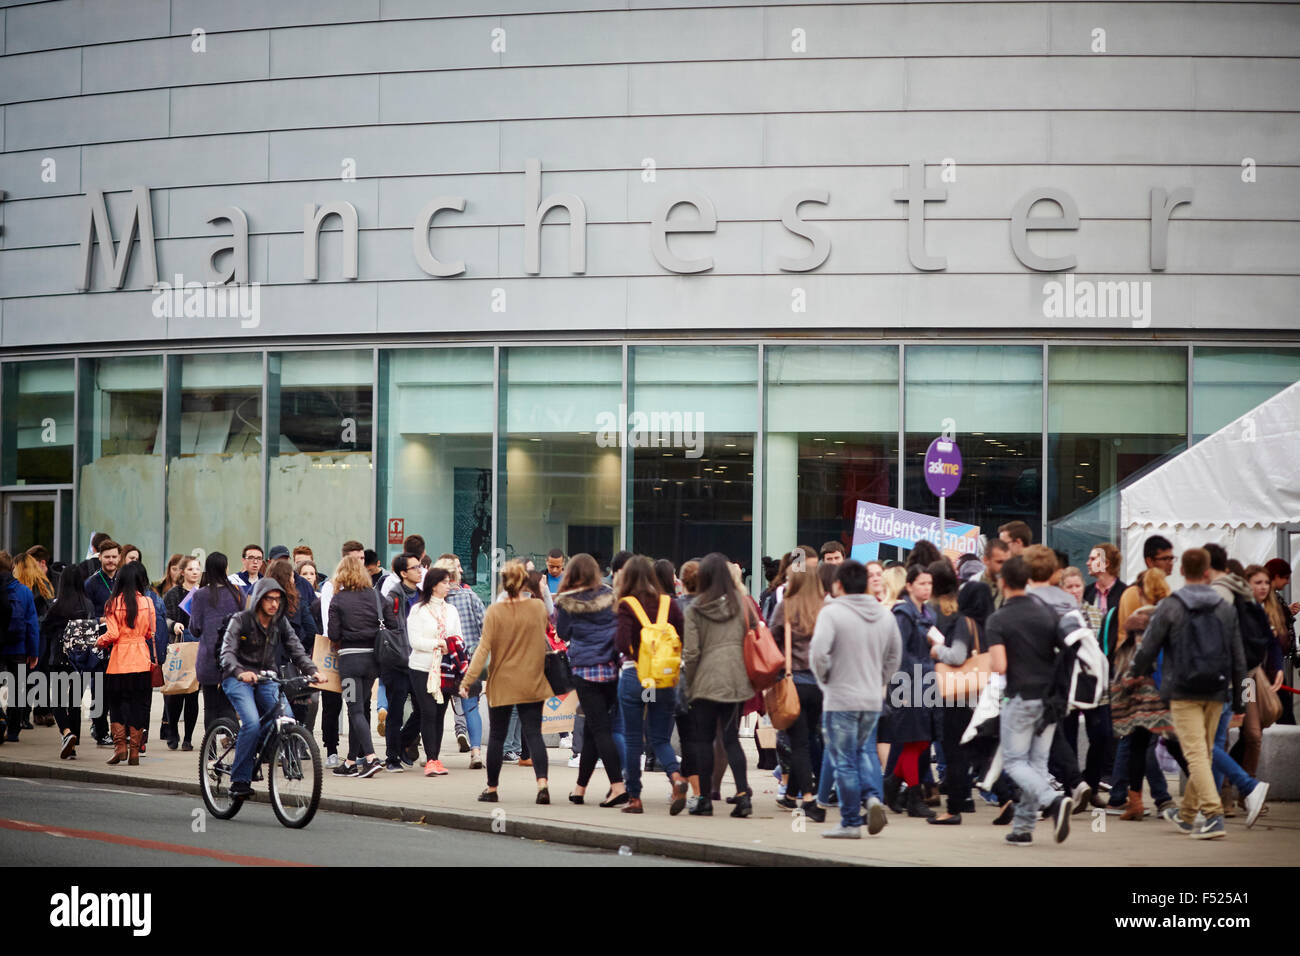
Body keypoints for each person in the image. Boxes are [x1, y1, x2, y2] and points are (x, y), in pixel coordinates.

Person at [1129, 548, 1246, 840]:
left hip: (1182, 690)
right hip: (1217, 689)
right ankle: (1186, 815)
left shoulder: (1171, 605)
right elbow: (1238, 657)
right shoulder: (1225, 607)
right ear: (1207, 572)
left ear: (1182, 571)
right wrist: (1241, 698)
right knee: (1203, 752)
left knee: (1195, 754)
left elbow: (1149, 647)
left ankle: (1213, 816)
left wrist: (1135, 671)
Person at [810, 560, 901, 838]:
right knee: (863, 751)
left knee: (844, 760)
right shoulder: (885, 615)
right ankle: (872, 797)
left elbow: (818, 653)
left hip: (841, 698)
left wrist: (826, 679)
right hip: (872, 698)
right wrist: (879, 679)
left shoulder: (832, 613)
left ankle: (850, 821)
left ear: (838, 585)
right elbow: (894, 656)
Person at [986, 555, 1073, 845]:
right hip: (1050, 700)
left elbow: (999, 666)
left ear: (1003, 582)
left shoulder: (998, 619)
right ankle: (1023, 828)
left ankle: (1053, 800)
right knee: (1037, 764)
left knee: (1014, 763)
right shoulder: (1046, 612)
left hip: (1020, 697)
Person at [218, 577, 320, 799]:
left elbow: (296, 648)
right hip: (237, 678)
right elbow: (227, 652)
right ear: (258, 600)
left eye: (277, 599)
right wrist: (240, 672)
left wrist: (312, 671)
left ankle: (257, 752)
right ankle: (239, 780)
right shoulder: (241, 620)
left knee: (286, 718)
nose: (274, 604)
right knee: (252, 723)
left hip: (266, 677)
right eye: (269, 599)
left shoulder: (279, 622)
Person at [460, 560, 552, 803]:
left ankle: (492, 789)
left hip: (502, 682)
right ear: (524, 582)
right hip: (532, 680)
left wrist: (468, 680)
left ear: (503, 583)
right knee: (534, 734)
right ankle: (542, 785)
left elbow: (483, 650)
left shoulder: (495, 611)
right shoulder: (537, 608)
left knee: (497, 737)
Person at [681, 552, 753, 818]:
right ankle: (743, 795)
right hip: (736, 679)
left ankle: (704, 799)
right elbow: (753, 636)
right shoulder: (742, 605)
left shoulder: (695, 609)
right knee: (731, 739)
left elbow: (691, 653)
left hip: (705, 681)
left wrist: (690, 685)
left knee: (704, 740)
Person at [555, 553, 628, 806]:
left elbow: (563, 633)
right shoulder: (610, 595)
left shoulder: (567, 601)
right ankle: (580, 789)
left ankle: (618, 786)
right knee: (591, 729)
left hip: (585, 672)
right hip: (611, 671)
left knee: (600, 730)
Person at [326, 554, 397, 779]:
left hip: (350, 662)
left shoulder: (338, 600)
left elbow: (333, 634)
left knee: (355, 710)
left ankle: (371, 758)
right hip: (373, 662)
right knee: (359, 710)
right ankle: (350, 761)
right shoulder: (376, 596)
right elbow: (393, 624)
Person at [769, 566, 828, 822]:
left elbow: (771, 639)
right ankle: (791, 795)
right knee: (807, 736)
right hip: (821, 685)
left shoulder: (786, 606)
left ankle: (809, 799)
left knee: (799, 743)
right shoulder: (825, 609)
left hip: (794, 683)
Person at [926, 559, 981, 825]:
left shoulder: (936, 612)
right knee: (969, 746)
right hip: (969, 687)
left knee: (952, 747)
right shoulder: (964, 609)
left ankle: (955, 804)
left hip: (947, 687)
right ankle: (970, 798)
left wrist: (936, 650)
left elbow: (956, 655)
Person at [883, 564, 936, 819]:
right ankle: (913, 795)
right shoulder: (903, 614)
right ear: (909, 585)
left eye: (929, 583)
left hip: (926, 683)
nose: (927, 588)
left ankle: (893, 782)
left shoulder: (928, 613)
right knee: (913, 740)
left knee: (922, 740)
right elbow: (900, 653)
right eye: (922, 583)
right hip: (907, 683)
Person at [408, 567, 468, 777]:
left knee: (440, 713)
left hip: (445, 669)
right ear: (433, 585)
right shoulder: (418, 610)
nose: (448, 585)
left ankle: (435, 758)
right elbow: (415, 641)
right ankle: (430, 758)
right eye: (444, 582)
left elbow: (458, 637)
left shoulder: (451, 610)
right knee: (428, 711)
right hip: (421, 668)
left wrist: (449, 646)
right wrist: (438, 643)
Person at [95, 562, 156, 766]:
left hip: (118, 662)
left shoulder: (112, 603)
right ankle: (135, 752)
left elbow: (112, 634)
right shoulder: (148, 602)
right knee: (138, 705)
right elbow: (151, 632)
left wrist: (99, 641)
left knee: (116, 705)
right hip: (141, 660)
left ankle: (120, 747)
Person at [40, 564, 96, 758]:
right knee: (74, 702)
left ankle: (66, 733)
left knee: (58, 699)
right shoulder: (88, 605)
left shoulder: (57, 606)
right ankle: (73, 746)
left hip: (59, 659)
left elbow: (45, 629)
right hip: (80, 660)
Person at [318, 540, 366, 766]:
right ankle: (331, 748)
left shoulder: (366, 587)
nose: (360, 563)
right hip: (334, 650)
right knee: (332, 703)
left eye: (363, 559)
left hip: (355, 652)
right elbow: (328, 624)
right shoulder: (331, 586)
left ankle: (358, 751)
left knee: (357, 704)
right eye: (356, 559)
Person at [378, 552, 425, 771]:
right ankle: (392, 757)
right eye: (415, 568)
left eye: (419, 566)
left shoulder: (422, 596)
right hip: (397, 662)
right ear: (403, 573)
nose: (419, 571)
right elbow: (391, 629)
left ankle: (402, 743)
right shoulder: (393, 597)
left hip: (418, 661)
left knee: (424, 708)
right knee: (395, 711)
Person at [438, 555, 486, 769]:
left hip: (443, 663)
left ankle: (432, 755)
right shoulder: (470, 596)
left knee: (437, 711)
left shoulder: (436, 601)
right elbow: (485, 627)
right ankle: (476, 752)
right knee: (471, 707)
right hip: (468, 661)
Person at [189, 552, 243, 731]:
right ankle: (235, 742)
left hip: (208, 657)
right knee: (229, 706)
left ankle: (210, 746)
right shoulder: (237, 592)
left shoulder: (200, 595)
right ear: (225, 569)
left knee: (210, 707)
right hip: (233, 656)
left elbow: (195, 628)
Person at [161, 555, 202, 751]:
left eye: (197, 569)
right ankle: (172, 730)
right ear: (183, 572)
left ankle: (188, 738)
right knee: (176, 692)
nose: (195, 572)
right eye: (191, 569)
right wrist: (173, 625)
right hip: (178, 646)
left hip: (197, 647)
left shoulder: (202, 593)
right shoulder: (173, 594)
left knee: (192, 693)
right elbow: (164, 618)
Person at [0, 552, 41, 743]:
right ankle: (14, 731)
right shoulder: (24, 591)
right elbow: (32, 625)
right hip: (19, 648)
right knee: (17, 689)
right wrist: (33, 652)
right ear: (11, 568)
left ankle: (1, 719)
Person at [1083, 543, 1125, 614]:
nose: (1087, 563)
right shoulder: (1086, 592)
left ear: (1106, 563)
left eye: (1093, 559)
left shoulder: (1124, 593)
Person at [980, 538, 1009, 609]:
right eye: (999, 562)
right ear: (985, 560)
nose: (1004, 567)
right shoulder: (973, 583)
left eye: (1007, 562)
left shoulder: (1013, 586)